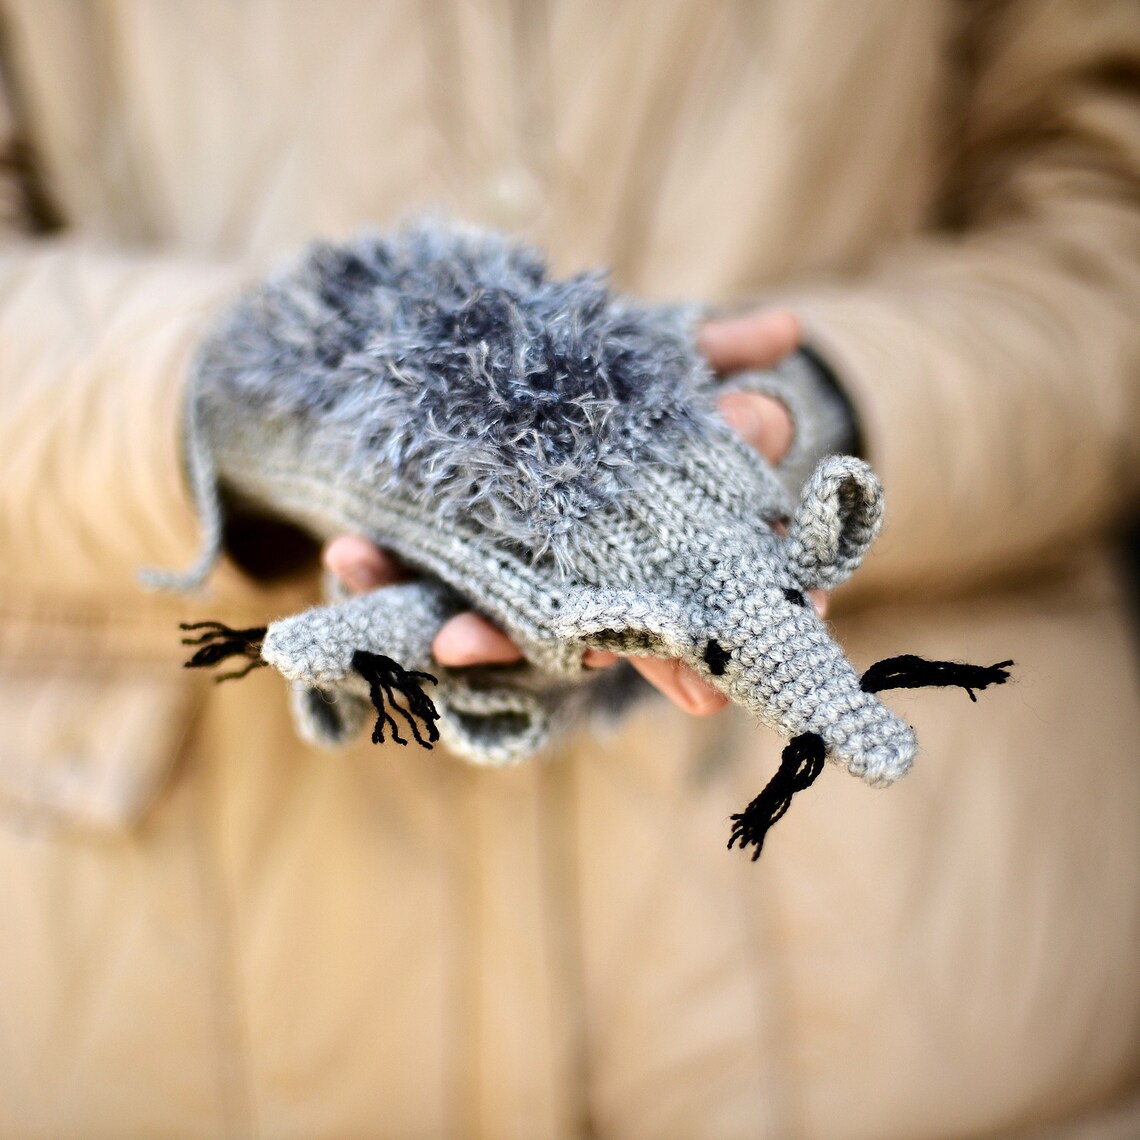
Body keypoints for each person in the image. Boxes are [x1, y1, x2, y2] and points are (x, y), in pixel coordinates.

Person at [0, 2, 1138, 1136]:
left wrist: (814, 407)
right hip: (167, 995)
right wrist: (261, 400)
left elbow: (1103, 218)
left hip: (925, 1002)